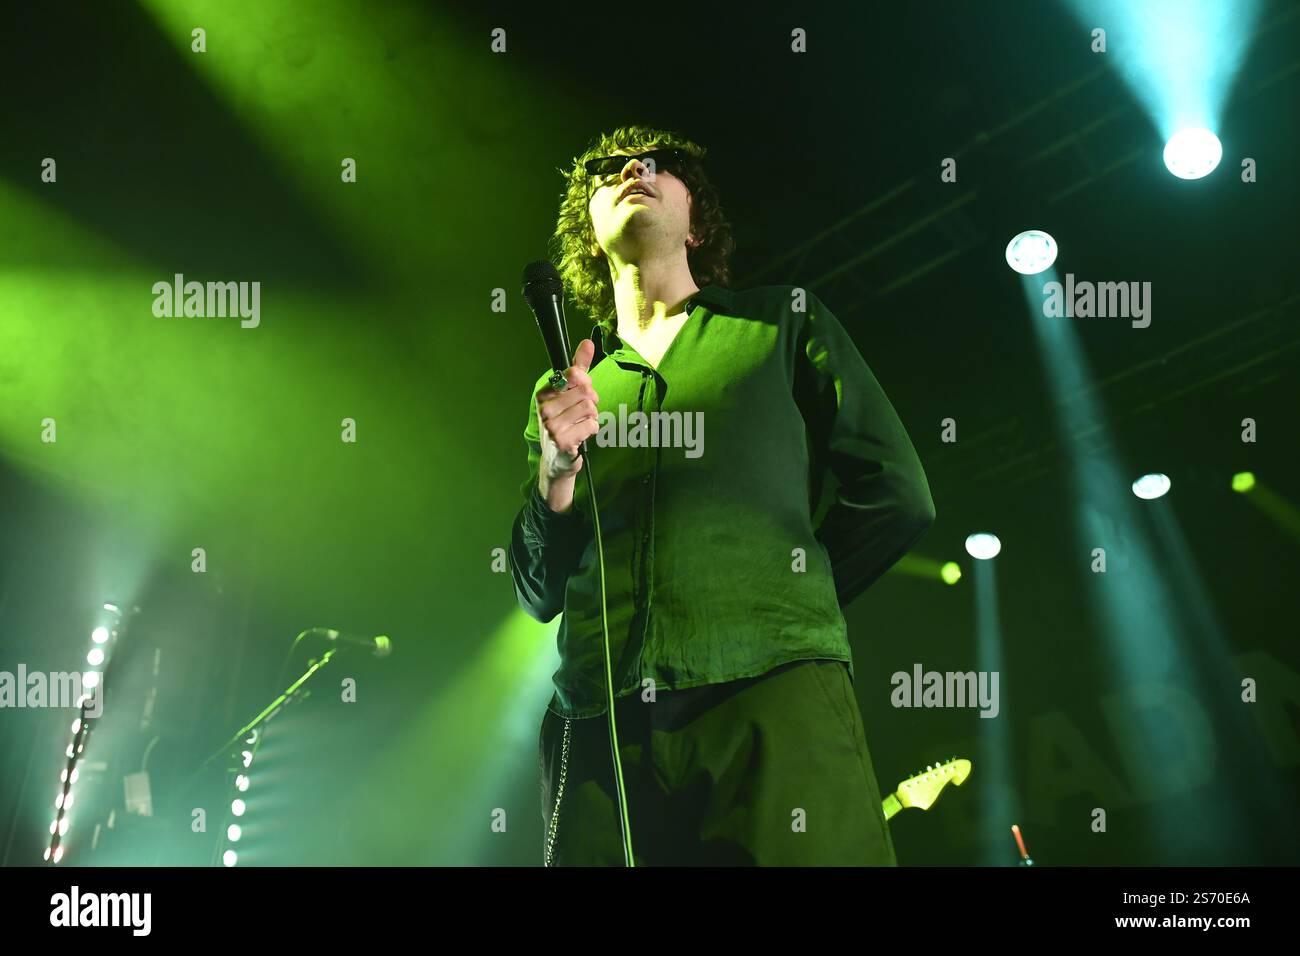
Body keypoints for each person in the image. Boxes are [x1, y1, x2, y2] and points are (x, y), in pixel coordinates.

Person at [508, 124, 935, 865]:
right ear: (588, 233)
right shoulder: (568, 393)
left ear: (697, 222)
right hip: (598, 730)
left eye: (661, 165)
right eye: (610, 169)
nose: (635, 169)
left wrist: (786, 599)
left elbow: (899, 492)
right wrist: (556, 473)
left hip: (770, 698)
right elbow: (537, 590)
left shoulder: (780, 322)